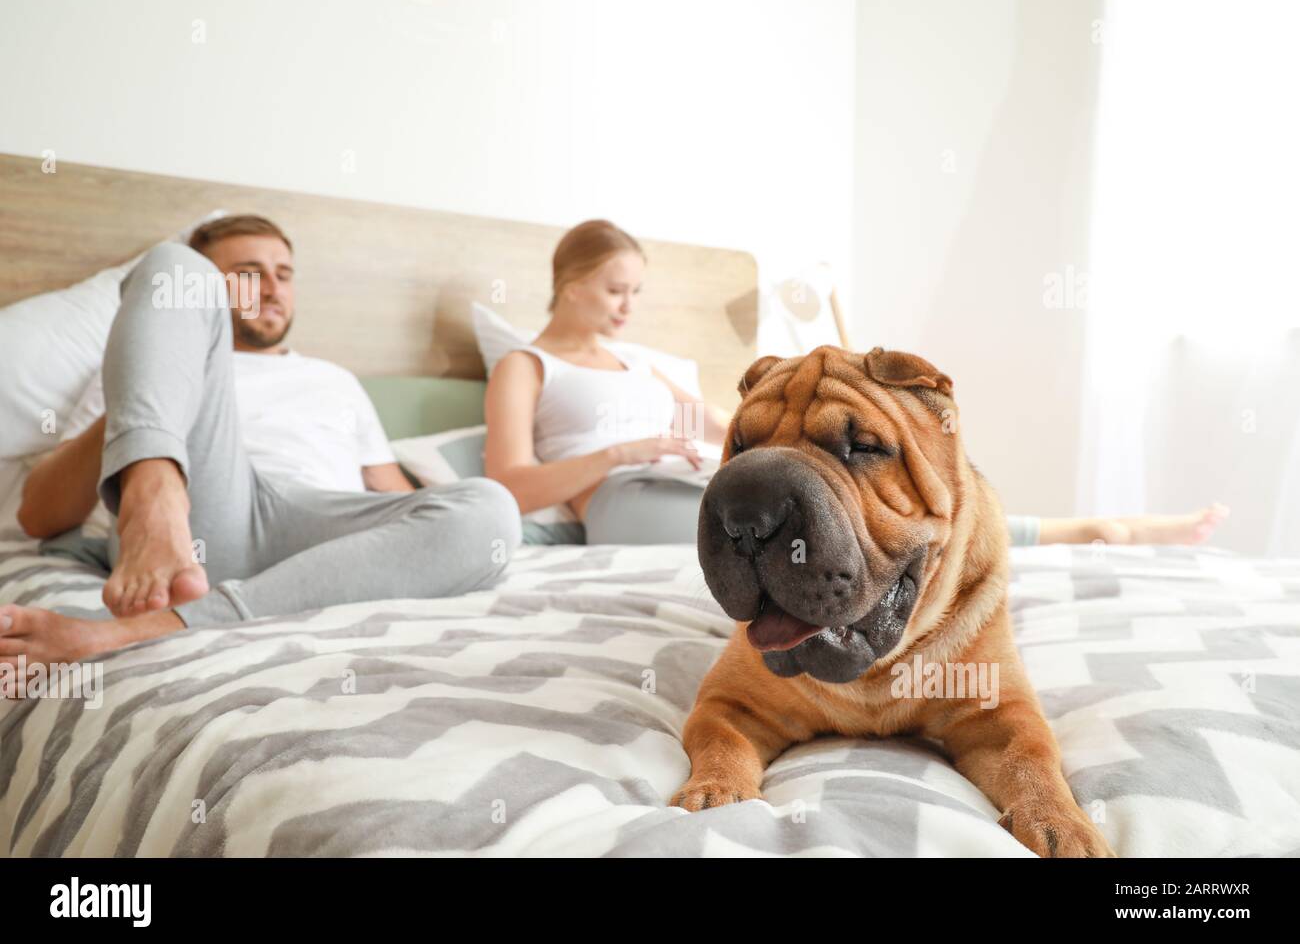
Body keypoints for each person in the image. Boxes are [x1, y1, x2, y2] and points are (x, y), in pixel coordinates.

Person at [484, 218, 1231, 548]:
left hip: (695, 483)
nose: (628, 307)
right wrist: (623, 452)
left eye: (637, 292)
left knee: (863, 499)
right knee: (831, 530)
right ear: (569, 282)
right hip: (617, 502)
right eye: (616, 289)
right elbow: (508, 488)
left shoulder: (645, 366)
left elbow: (732, 431)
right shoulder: (528, 367)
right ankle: (1080, 533)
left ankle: (1085, 530)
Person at [3, 215, 520, 672]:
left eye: (284, 274)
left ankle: (139, 632)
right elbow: (39, 517)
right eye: (249, 273)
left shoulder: (334, 379)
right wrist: (147, 398)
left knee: (490, 509)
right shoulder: (136, 365)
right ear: (208, 290)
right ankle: (153, 494)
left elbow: (390, 498)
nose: (271, 287)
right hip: (205, 516)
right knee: (171, 263)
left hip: (319, 546)